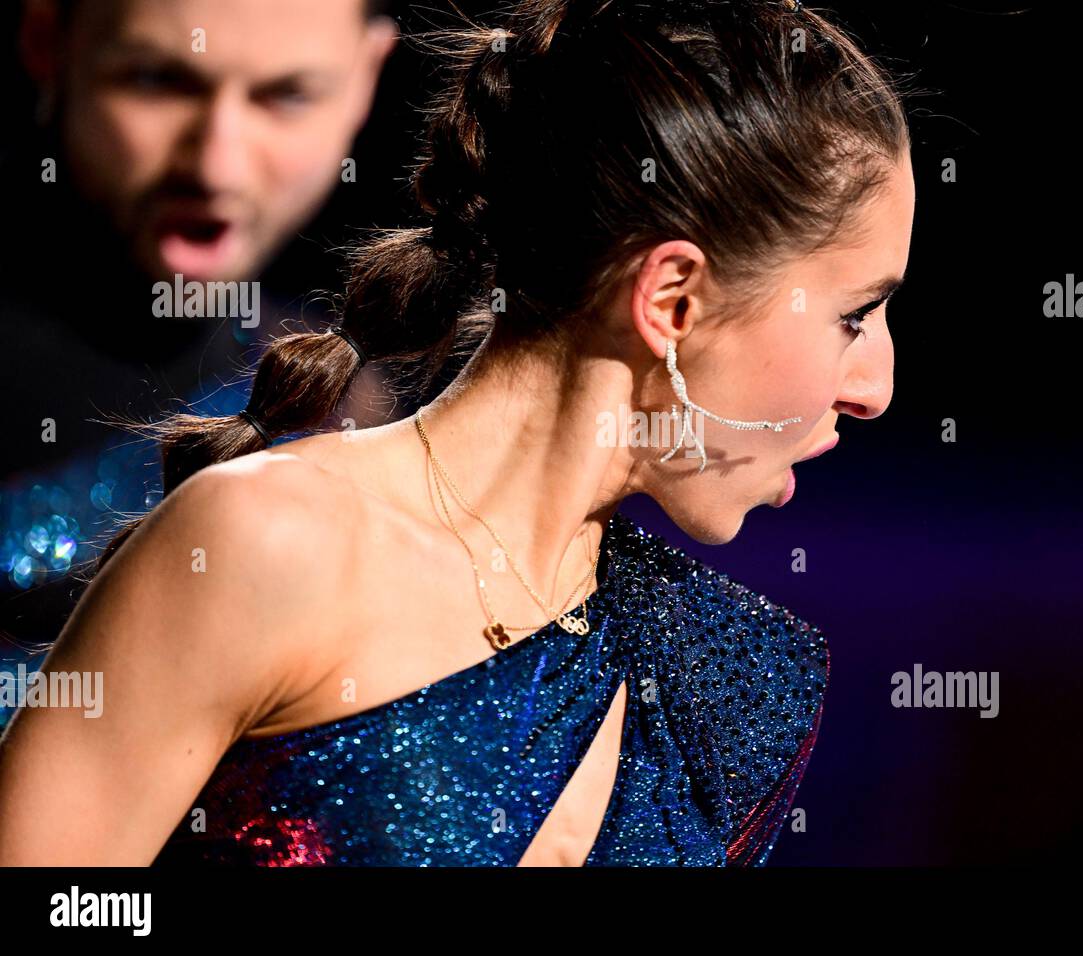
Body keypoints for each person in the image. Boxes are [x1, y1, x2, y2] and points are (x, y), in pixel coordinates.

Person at [0, 0, 914, 866]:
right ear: (672, 299)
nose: (875, 387)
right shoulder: (269, 546)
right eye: (855, 314)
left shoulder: (734, 680)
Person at [0, 0, 400, 662]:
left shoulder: (340, 402)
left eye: (288, 95)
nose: (217, 166)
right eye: (157, 82)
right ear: (47, 41)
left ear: (366, 76)